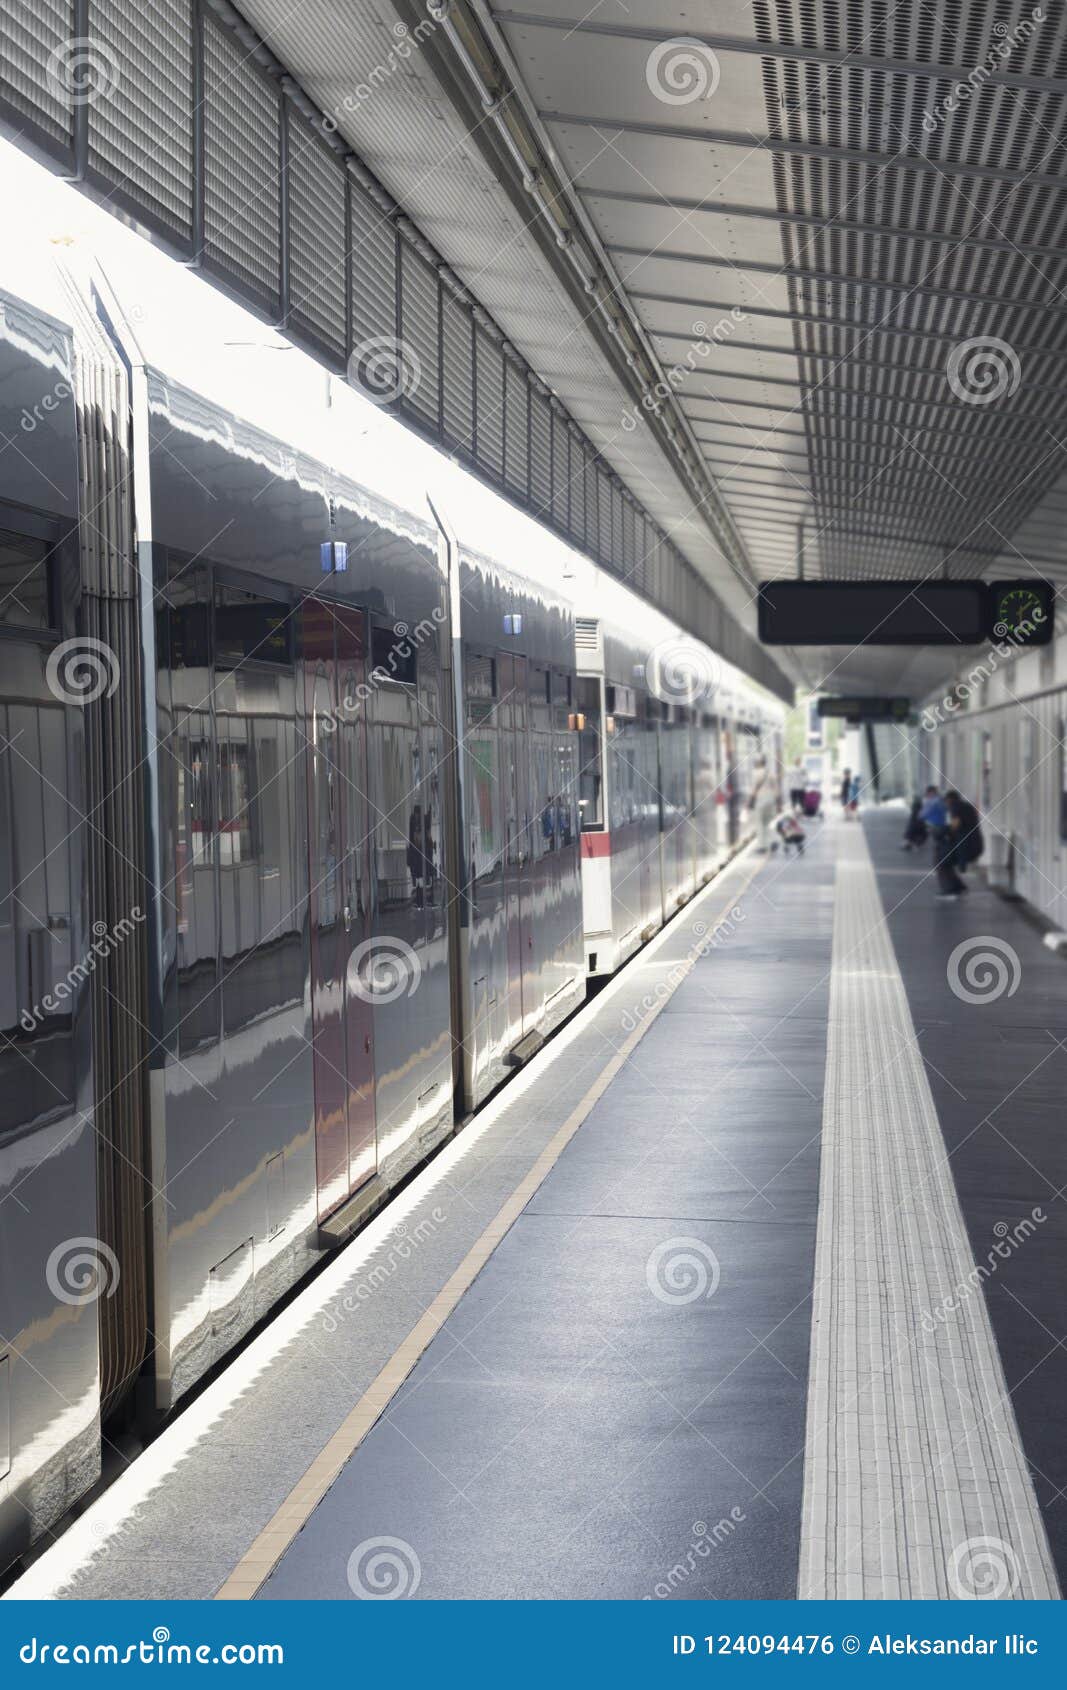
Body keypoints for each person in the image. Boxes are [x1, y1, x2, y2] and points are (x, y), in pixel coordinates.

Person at [920, 785, 964, 898]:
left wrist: (942, 832)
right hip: (960, 841)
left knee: (940, 861)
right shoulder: (960, 808)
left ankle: (950, 889)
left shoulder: (956, 809)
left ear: (950, 800)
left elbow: (954, 826)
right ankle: (957, 886)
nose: (946, 804)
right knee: (943, 860)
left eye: (947, 802)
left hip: (961, 843)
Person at [946, 790, 984, 880]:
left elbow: (956, 822)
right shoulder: (967, 805)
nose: (946, 803)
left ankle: (962, 872)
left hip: (963, 834)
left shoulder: (955, 806)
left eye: (946, 800)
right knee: (967, 853)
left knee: (962, 852)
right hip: (974, 834)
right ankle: (966, 870)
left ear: (950, 799)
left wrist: (949, 832)